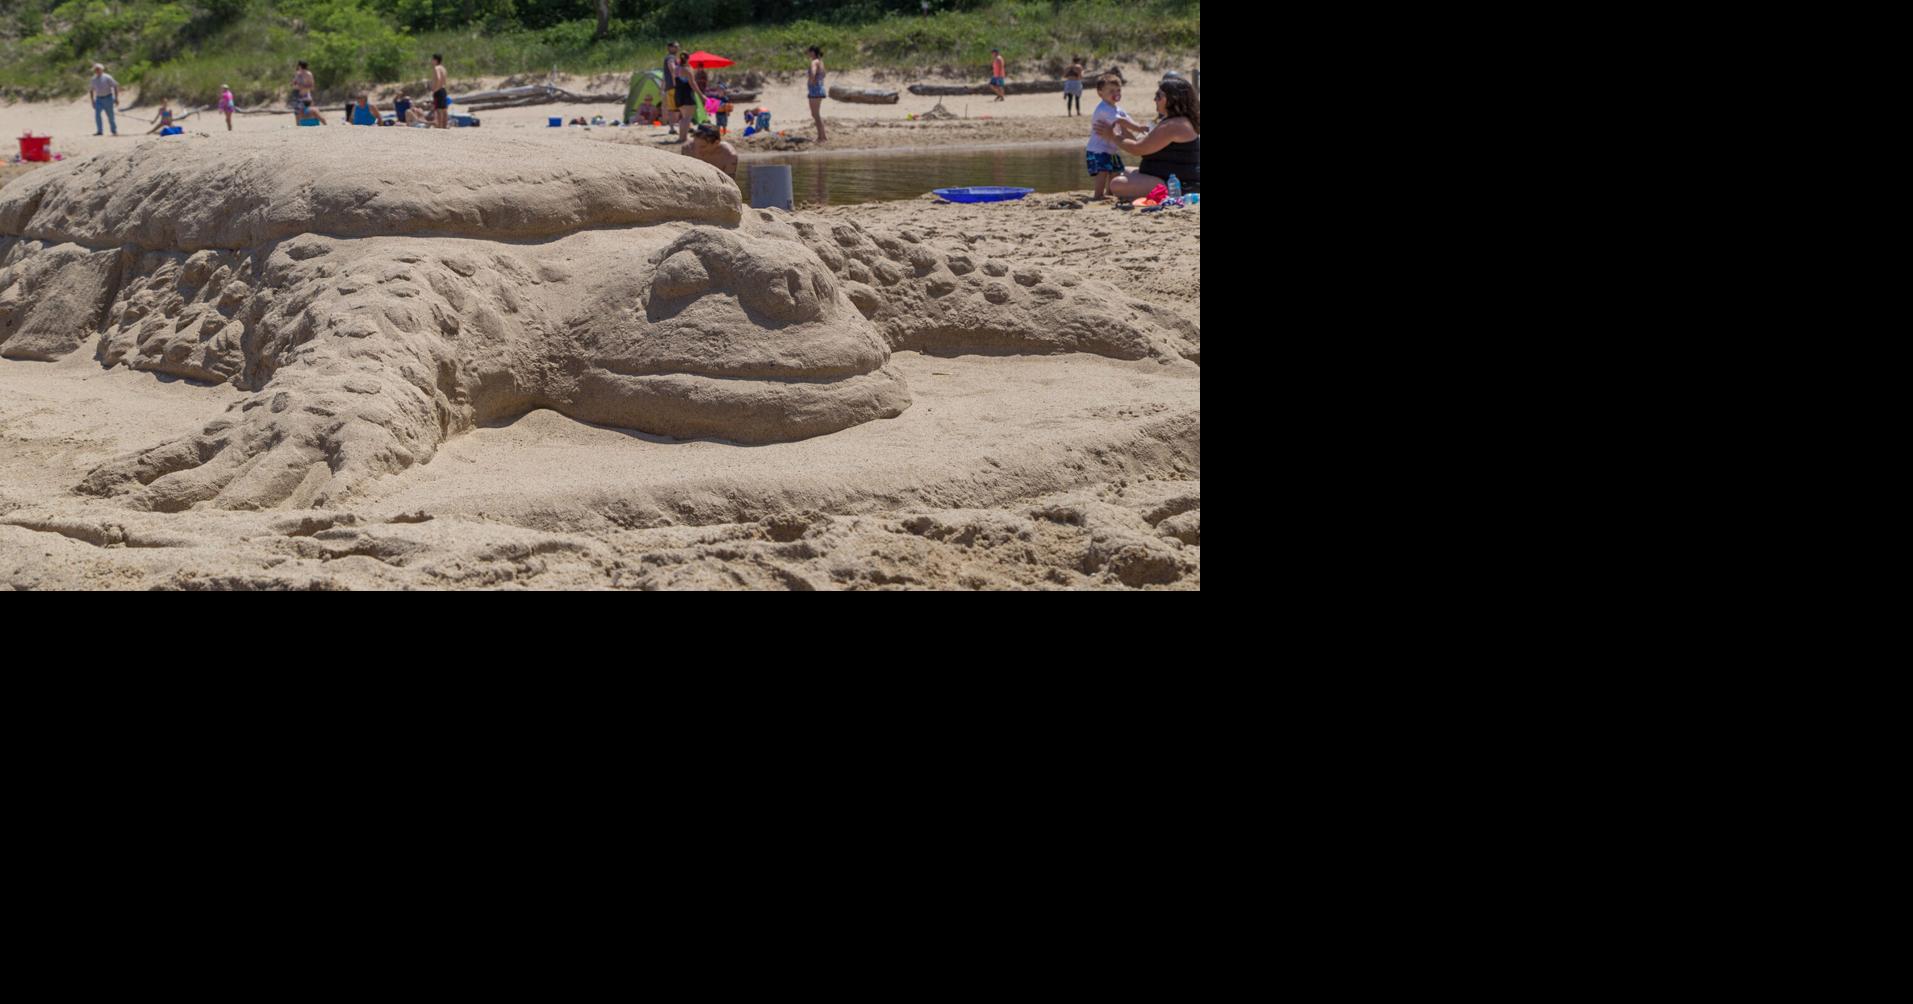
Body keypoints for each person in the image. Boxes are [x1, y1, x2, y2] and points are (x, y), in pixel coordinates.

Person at [1091, 76, 1200, 200]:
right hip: (1165, 177)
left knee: (1117, 184)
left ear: (1172, 99)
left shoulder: (1173, 125)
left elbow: (1138, 149)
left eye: (1158, 96)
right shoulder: (1173, 121)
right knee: (1121, 171)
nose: (1154, 99)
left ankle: (1166, 193)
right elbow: (1141, 143)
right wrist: (1122, 129)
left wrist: (1112, 136)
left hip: (1179, 184)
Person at [1084, 73, 1136, 200]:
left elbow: (1127, 120)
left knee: (1116, 171)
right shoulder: (1103, 108)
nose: (1116, 93)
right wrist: (1138, 127)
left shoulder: (1118, 109)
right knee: (1102, 172)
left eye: (1118, 90)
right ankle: (1098, 195)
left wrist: (1137, 139)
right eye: (1111, 90)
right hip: (1098, 149)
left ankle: (1110, 193)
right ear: (1100, 93)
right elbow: (1121, 121)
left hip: (1111, 148)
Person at [89, 64, 119, 136]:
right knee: (97, 115)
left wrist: (116, 98)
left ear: (102, 69)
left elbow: (115, 86)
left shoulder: (107, 77)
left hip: (108, 98)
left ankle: (114, 131)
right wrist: (92, 100)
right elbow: (91, 90)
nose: (97, 71)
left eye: (98, 69)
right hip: (99, 99)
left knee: (110, 116)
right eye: (96, 69)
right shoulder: (93, 79)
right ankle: (99, 131)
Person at [806, 45, 828, 143]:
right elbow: (824, 74)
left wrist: (811, 81)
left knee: (815, 114)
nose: (808, 54)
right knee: (816, 114)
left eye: (809, 52)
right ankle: (823, 136)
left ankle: (821, 137)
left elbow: (813, 73)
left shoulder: (814, 62)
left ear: (813, 52)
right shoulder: (821, 62)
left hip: (814, 90)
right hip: (820, 89)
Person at [431, 54, 449, 129]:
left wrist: (435, 89)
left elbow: (438, 78)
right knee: (444, 109)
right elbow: (444, 80)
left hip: (438, 90)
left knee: (438, 110)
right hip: (444, 89)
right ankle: (444, 127)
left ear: (436, 60)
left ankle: (440, 128)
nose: (431, 61)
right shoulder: (443, 68)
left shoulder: (436, 68)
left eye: (432, 59)